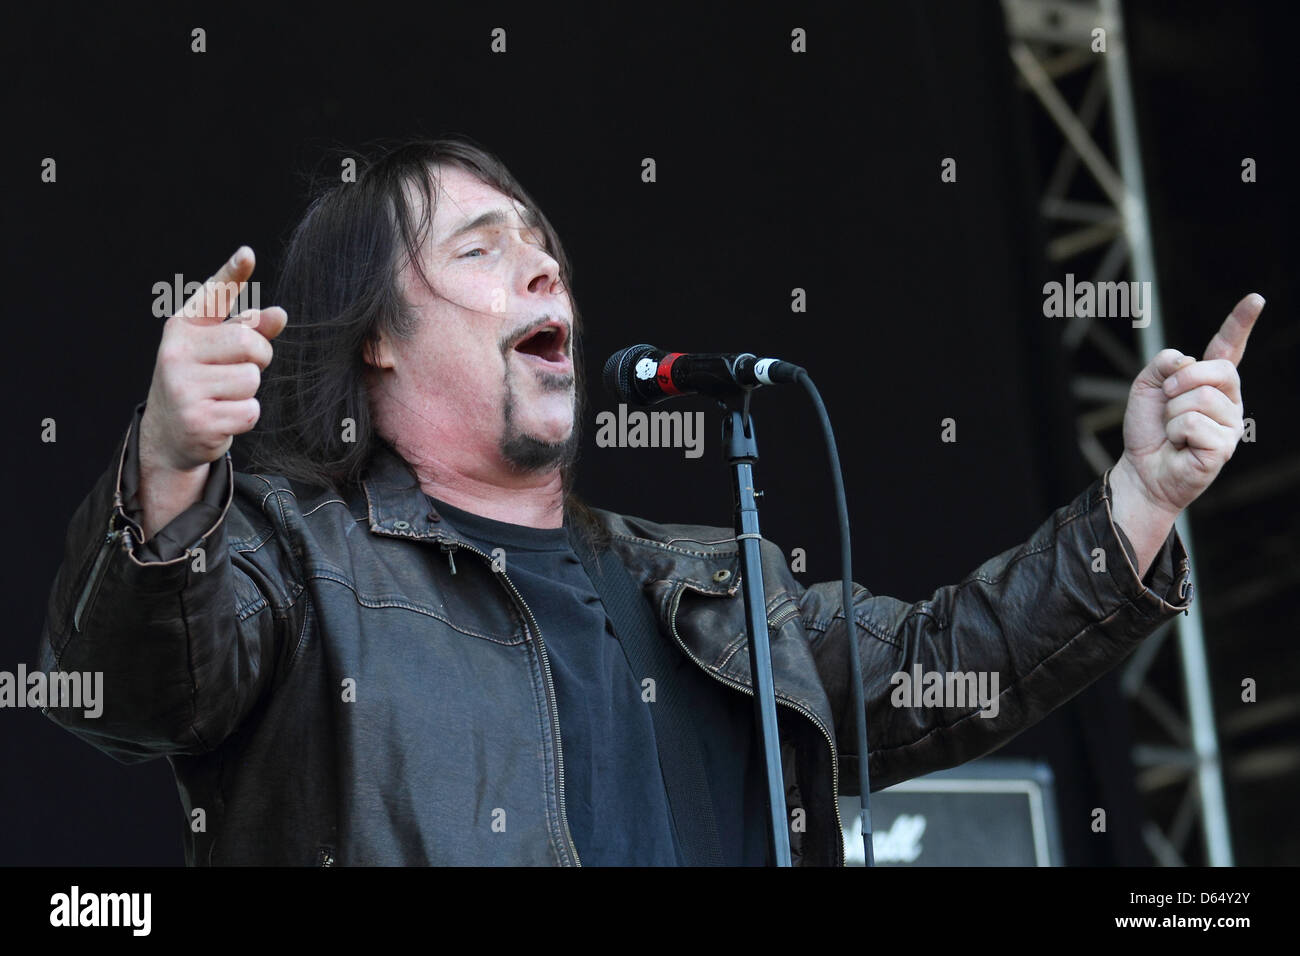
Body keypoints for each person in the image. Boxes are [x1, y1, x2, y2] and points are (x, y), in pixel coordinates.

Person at [38, 137, 1261, 866]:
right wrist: (169, 460)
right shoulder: (284, 553)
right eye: (477, 248)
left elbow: (949, 663)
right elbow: (137, 685)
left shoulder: (710, 583)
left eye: (540, 241)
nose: (539, 261)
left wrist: (1142, 493)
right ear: (375, 342)